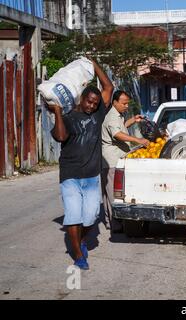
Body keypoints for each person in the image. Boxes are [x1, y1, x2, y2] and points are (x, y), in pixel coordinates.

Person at [47, 58, 114, 270]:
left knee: (91, 216)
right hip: (70, 176)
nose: (92, 105)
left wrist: (93, 63)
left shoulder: (98, 113)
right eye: (89, 101)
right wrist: (57, 111)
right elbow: (59, 137)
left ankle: (82, 240)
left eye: (95, 103)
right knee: (74, 216)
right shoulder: (67, 116)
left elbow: (109, 86)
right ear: (82, 98)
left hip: (92, 175)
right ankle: (78, 255)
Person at [101, 90, 150, 232]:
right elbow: (117, 134)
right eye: (124, 103)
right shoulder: (111, 117)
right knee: (112, 194)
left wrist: (133, 120)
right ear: (114, 102)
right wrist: (137, 139)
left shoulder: (118, 115)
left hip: (117, 159)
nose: (126, 106)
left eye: (127, 103)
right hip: (110, 161)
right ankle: (115, 224)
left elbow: (121, 127)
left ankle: (112, 222)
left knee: (111, 193)